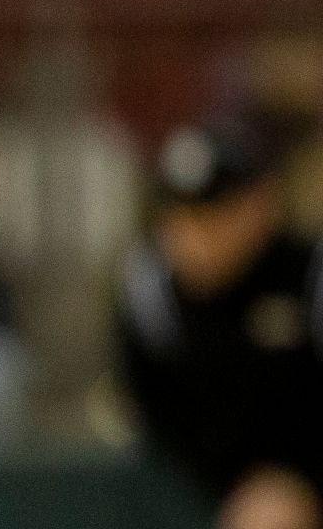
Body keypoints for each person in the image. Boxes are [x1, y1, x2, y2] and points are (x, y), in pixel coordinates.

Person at [118, 122, 323, 529]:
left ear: (260, 204)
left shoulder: (308, 277)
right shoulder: (153, 295)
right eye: (179, 214)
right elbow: (159, 418)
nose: (192, 234)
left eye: (213, 212)